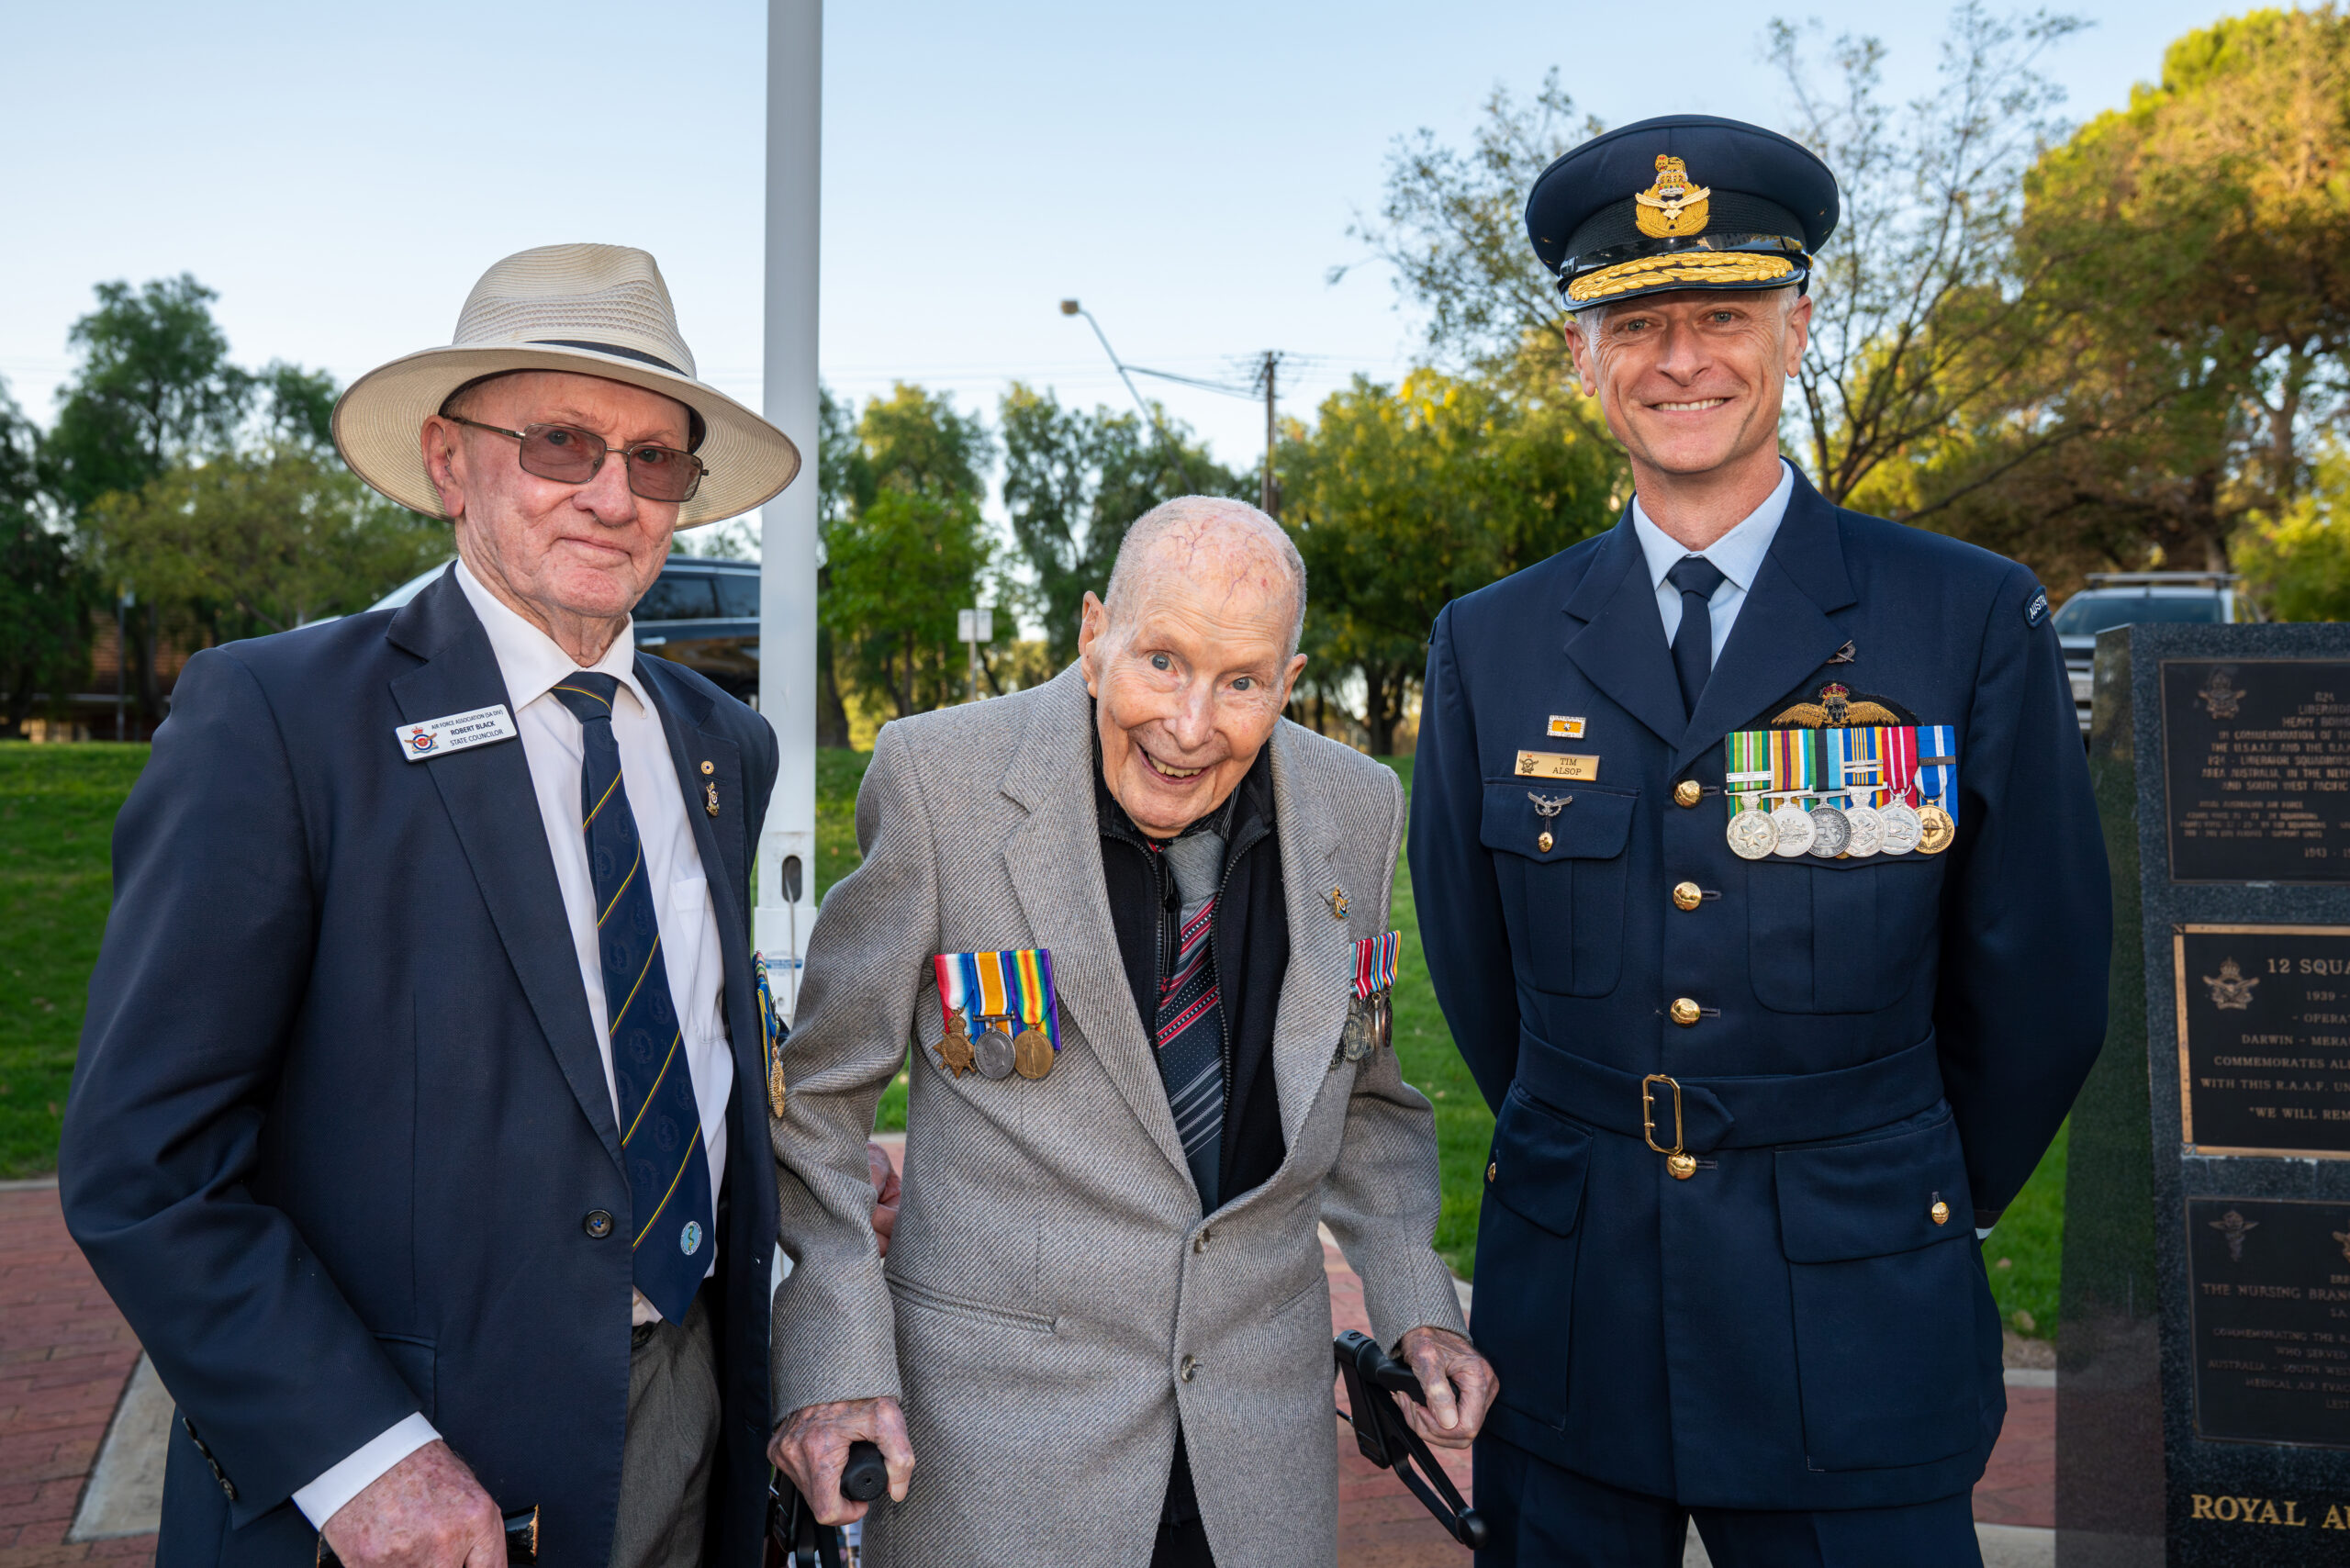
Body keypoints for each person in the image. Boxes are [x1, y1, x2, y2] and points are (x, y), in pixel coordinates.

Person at [61, 243, 885, 1568]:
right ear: (451, 462)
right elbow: (142, 1168)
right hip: (410, 1472)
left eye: (657, 458)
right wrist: (362, 1459)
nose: (615, 496)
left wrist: (779, 1186)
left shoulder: (725, 744)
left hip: (690, 1414)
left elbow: (660, 1038)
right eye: (561, 442)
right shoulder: (277, 719)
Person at [1408, 118, 2112, 1566]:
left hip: (1858, 1312)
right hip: (1576, 1312)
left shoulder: (1965, 619)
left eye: (1723, 315)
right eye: (1636, 322)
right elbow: (1483, 985)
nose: (1683, 360)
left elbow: (2039, 981)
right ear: (1576, 357)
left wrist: (1898, 1192)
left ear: (1797, 327)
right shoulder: (1493, 642)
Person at [764, 498, 1495, 1567]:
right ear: (1092, 634)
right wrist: (833, 1358)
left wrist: (1419, 1308)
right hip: (997, 1453)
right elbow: (817, 1098)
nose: (1191, 723)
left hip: (1258, 1458)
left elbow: (1368, 1093)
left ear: (1288, 685)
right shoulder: (939, 780)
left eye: (1241, 681)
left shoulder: (1358, 805)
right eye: (1161, 660)